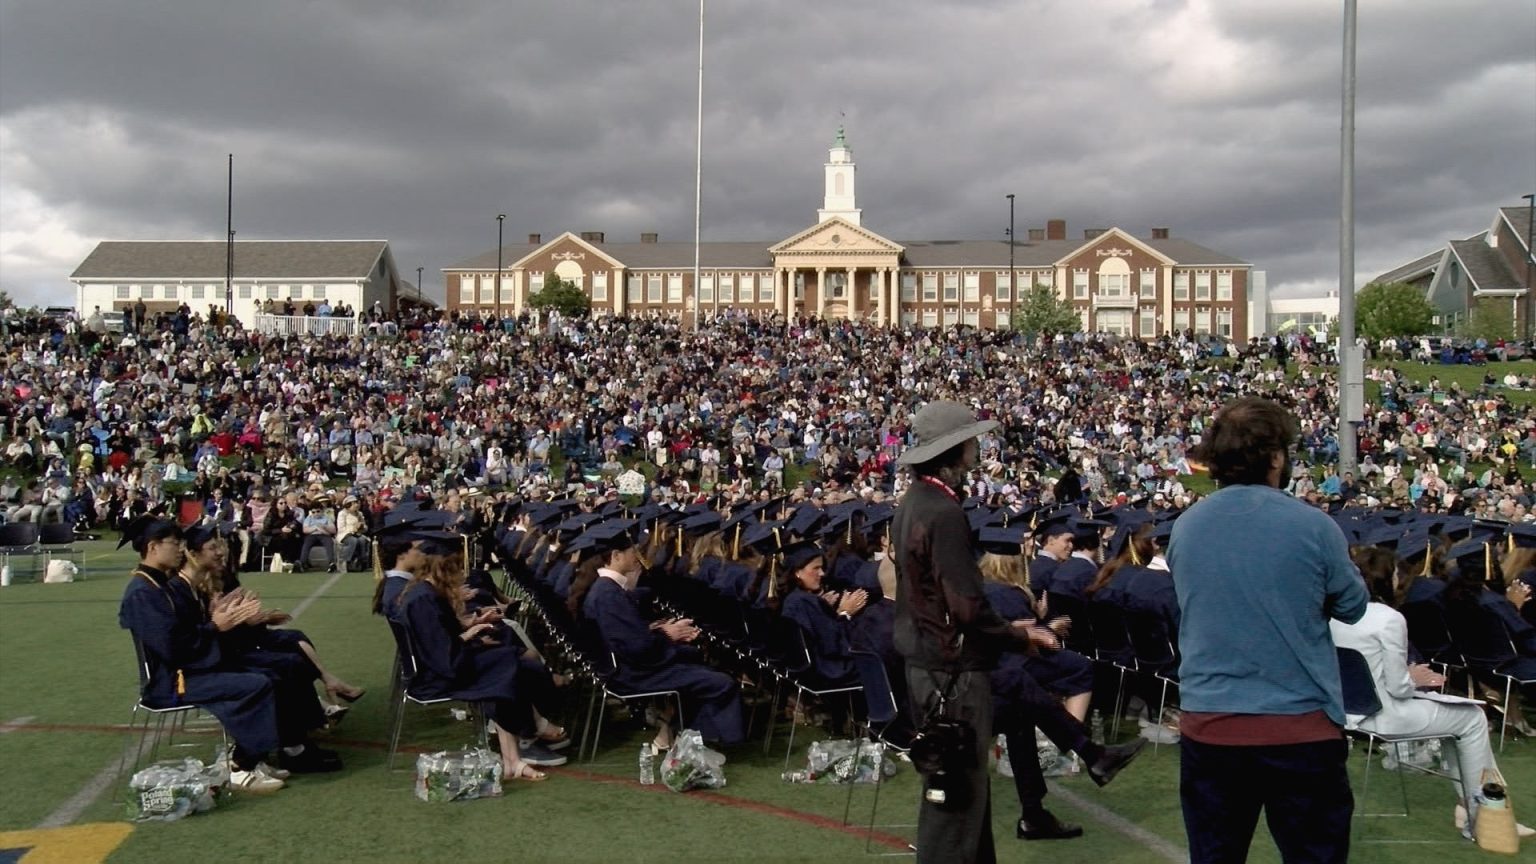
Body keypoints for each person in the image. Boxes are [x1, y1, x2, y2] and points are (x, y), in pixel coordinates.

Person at [892, 401, 1111, 864]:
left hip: (930, 662)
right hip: (951, 670)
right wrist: (1018, 635)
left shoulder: (914, 502)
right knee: (956, 797)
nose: (977, 447)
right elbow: (966, 606)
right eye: (971, 440)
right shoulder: (941, 511)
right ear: (955, 449)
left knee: (962, 794)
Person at [1169, 396, 1368, 864]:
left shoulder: (1186, 526)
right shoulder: (1313, 526)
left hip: (1212, 724)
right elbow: (1354, 607)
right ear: (1276, 457)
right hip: (1299, 727)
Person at [1334, 545, 1530, 840]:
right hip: (1386, 714)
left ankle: (1468, 804)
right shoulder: (1387, 618)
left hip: (1347, 715)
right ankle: (1487, 815)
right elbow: (1399, 688)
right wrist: (1413, 676)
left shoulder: (1333, 614)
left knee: (1459, 720)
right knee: (1473, 718)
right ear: (1387, 578)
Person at [116, 518, 292, 793]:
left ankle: (250, 757)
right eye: (174, 543)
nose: (180, 549)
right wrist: (214, 626)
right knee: (255, 684)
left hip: (188, 669)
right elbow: (173, 647)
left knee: (265, 674)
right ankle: (239, 765)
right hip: (171, 681)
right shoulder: (143, 592)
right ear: (153, 547)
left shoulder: (159, 585)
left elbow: (184, 634)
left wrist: (218, 618)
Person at [568, 525, 745, 750]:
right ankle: (703, 744)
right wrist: (667, 634)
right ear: (616, 556)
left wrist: (657, 630)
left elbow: (629, 636)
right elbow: (638, 647)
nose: (637, 557)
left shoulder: (605, 590)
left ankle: (675, 733)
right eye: (633, 552)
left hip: (630, 666)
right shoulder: (607, 594)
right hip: (632, 674)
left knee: (697, 663)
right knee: (719, 682)